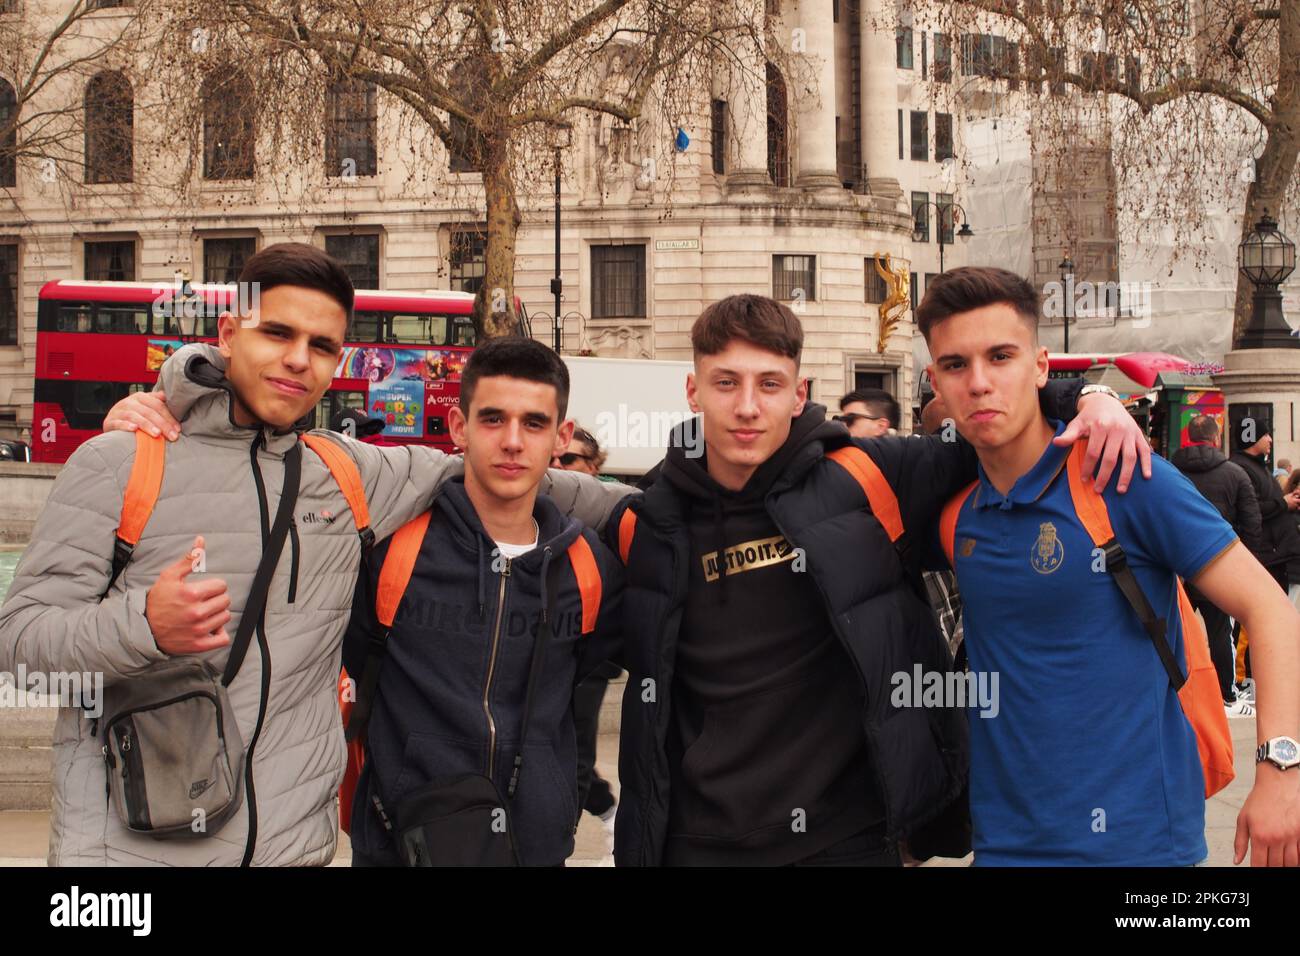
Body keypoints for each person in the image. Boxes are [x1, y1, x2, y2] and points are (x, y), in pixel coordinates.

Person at [1, 242, 628, 866]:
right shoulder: (121, 462)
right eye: (277, 332)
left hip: (290, 851)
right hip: (130, 857)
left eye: (322, 346)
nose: (298, 360)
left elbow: (502, 473)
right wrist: (142, 626)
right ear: (228, 333)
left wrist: (663, 511)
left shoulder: (346, 474)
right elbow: (18, 650)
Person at [608, 292, 1149, 867]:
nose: (747, 407)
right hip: (698, 846)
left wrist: (1091, 395)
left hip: (852, 839)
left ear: (799, 394)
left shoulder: (870, 475)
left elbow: (996, 425)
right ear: (693, 391)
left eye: (769, 384)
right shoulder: (644, 527)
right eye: (725, 383)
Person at [921, 266, 1300, 866]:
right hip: (1003, 846)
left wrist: (1282, 771)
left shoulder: (1122, 478)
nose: (980, 382)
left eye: (1001, 356)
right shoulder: (956, 516)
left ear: (1041, 366)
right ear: (934, 382)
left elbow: (1273, 611)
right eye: (956, 365)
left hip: (1141, 848)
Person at [343, 338, 623, 866]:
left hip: (534, 848)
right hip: (402, 845)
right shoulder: (394, 552)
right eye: (493, 419)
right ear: (458, 427)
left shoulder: (589, 567)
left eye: (534, 423)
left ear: (560, 437)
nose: (513, 442)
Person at [1171, 415, 1270, 714]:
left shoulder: (1170, 471)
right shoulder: (1235, 474)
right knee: (1220, 634)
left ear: (1188, 437)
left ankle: (1174, 691)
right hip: (1218, 566)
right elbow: (1252, 526)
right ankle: (1227, 695)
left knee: (1175, 631)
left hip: (1176, 568)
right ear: (1215, 439)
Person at [553, 425, 621, 849]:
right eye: (556, 460)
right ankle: (610, 811)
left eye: (571, 460)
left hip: (589, 659)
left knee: (574, 758)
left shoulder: (614, 518)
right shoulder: (539, 512)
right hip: (542, 654)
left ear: (593, 467)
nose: (560, 467)